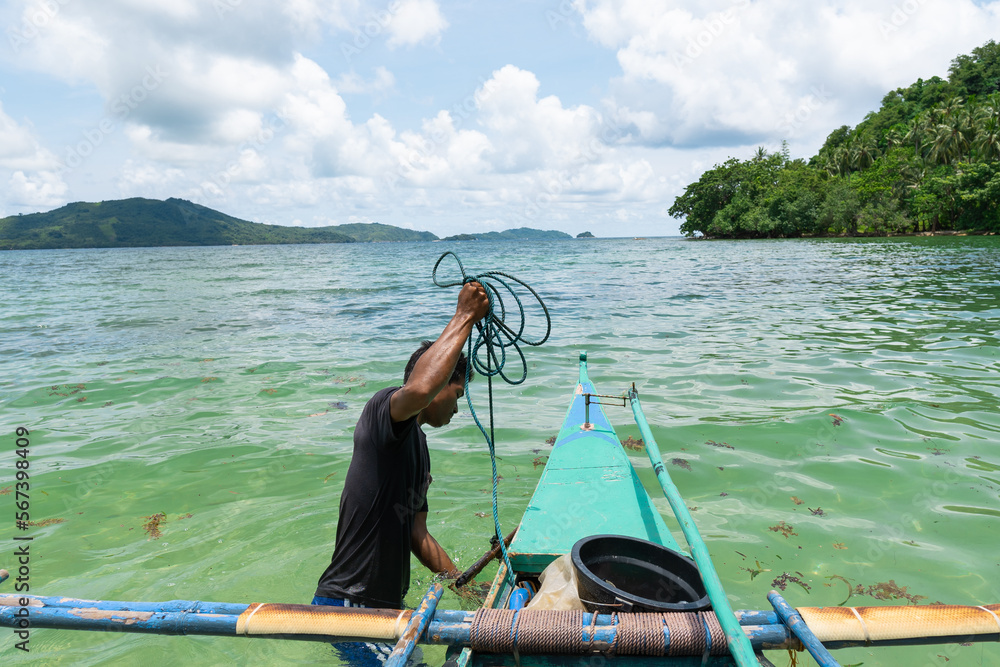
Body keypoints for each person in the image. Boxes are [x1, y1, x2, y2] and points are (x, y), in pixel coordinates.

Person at [312, 281, 490, 665]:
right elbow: (421, 389)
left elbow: (417, 534)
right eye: (457, 395)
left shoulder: (419, 451)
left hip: (386, 608)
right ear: (440, 383)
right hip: (351, 607)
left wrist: (465, 586)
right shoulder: (383, 413)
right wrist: (463, 317)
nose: (457, 409)